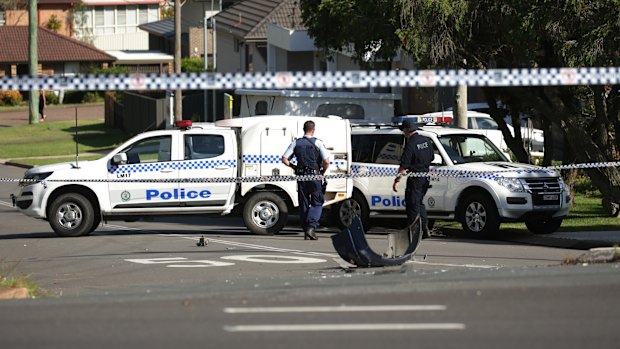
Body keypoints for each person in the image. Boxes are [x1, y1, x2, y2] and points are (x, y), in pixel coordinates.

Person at [282, 120, 330, 240]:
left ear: (304, 129)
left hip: (301, 177)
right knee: (317, 201)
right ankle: (311, 226)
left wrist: (294, 167)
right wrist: (323, 172)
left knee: (303, 202)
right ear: (313, 130)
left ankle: (305, 228)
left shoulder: (296, 143)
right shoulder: (318, 143)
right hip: (315, 176)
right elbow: (326, 161)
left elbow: (284, 159)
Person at [392, 119, 434, 238]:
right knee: (419, 203)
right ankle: (424, 228)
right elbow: (431, 157)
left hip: (415, 178)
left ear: (406, 131)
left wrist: (397, 181)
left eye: (403, 131)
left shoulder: (410, 144)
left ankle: (415, 231)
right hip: (426, 176)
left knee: (412, 205)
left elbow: (403, 166)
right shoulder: (426, 140)